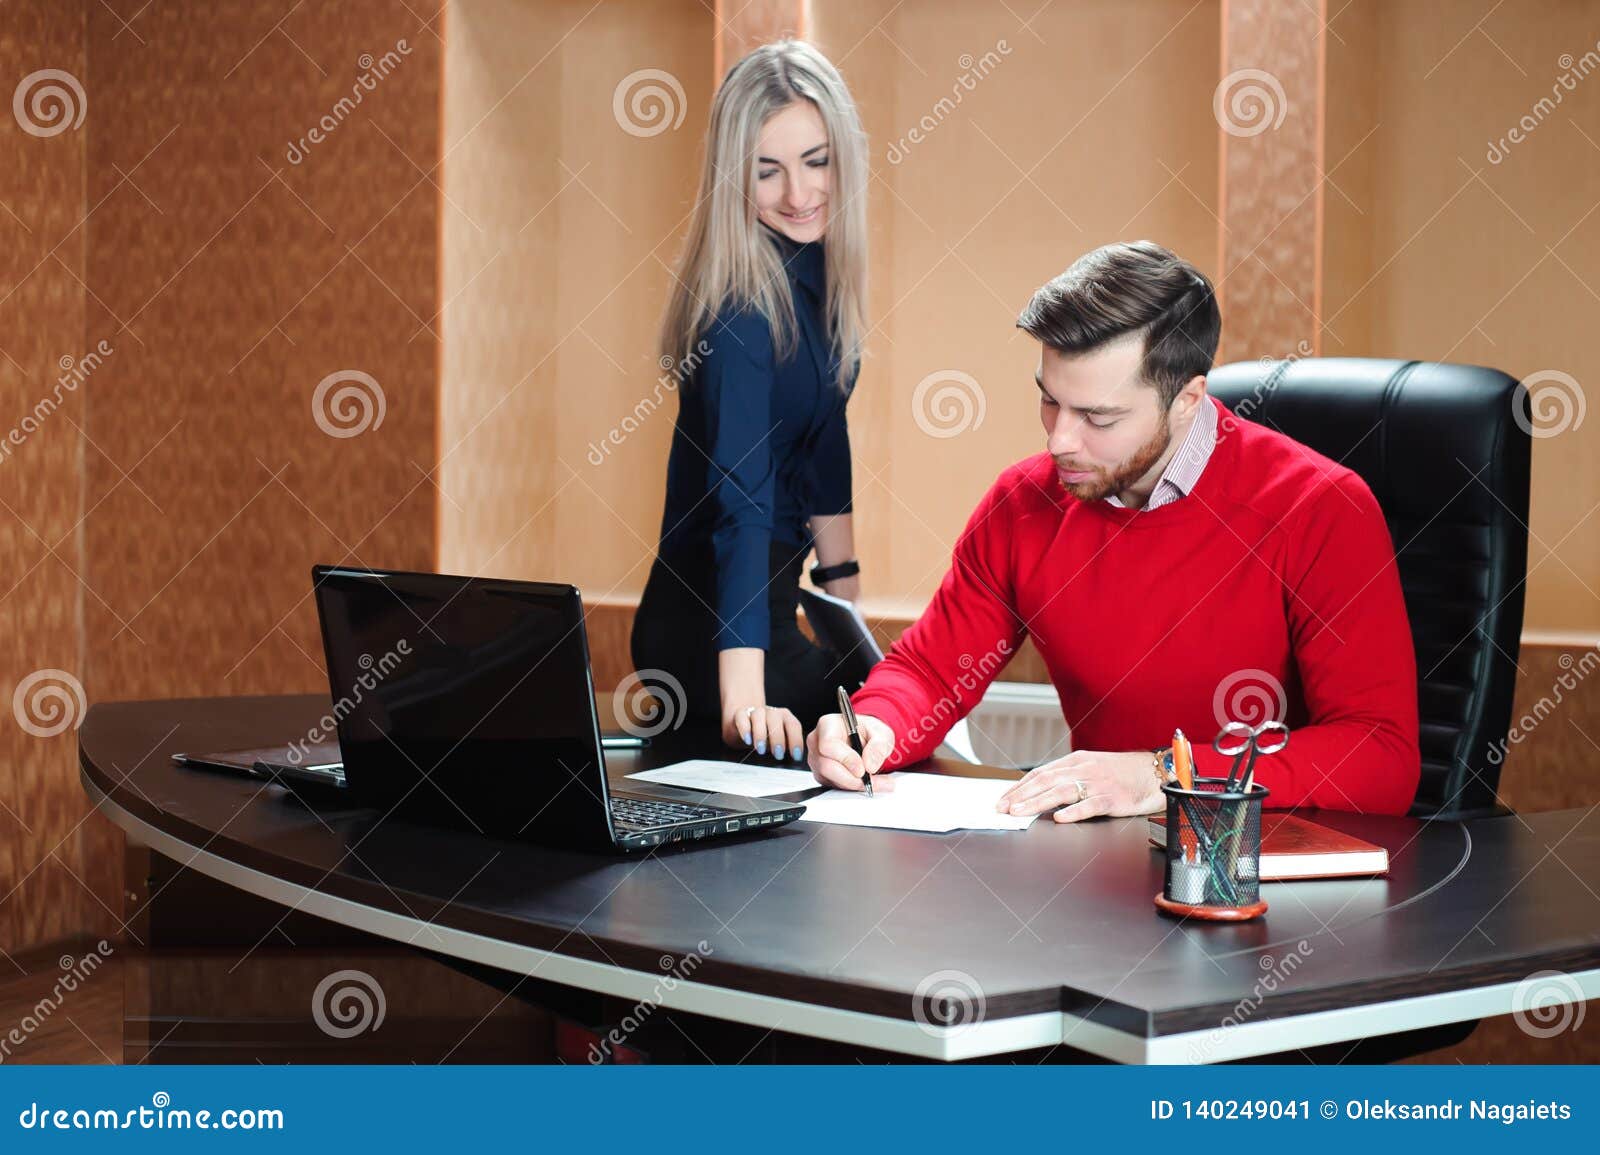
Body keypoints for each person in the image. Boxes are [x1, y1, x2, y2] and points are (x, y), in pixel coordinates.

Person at [805, 240, 1421, 819]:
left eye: (1098, 416)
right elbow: (931, 673)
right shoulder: (1024, 503)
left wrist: (1162, 775)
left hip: (1265, 882)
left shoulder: (1322, 509)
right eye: (1050, 400)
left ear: (1187, 399)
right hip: (1098, 872)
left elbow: (1380, 758)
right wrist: (873, 726)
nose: (1059, 439)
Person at [632, 40, 870, 761]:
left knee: (881, 700)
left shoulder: (820, 276)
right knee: (870, 730)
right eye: (767, 172)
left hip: (771, 606)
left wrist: (847, 611)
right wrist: (744, 703)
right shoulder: (740, 312)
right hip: (708, 628)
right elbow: (741, 502)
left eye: (816, 161)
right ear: (733, 178)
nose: (798, 194)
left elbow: (825, 449)